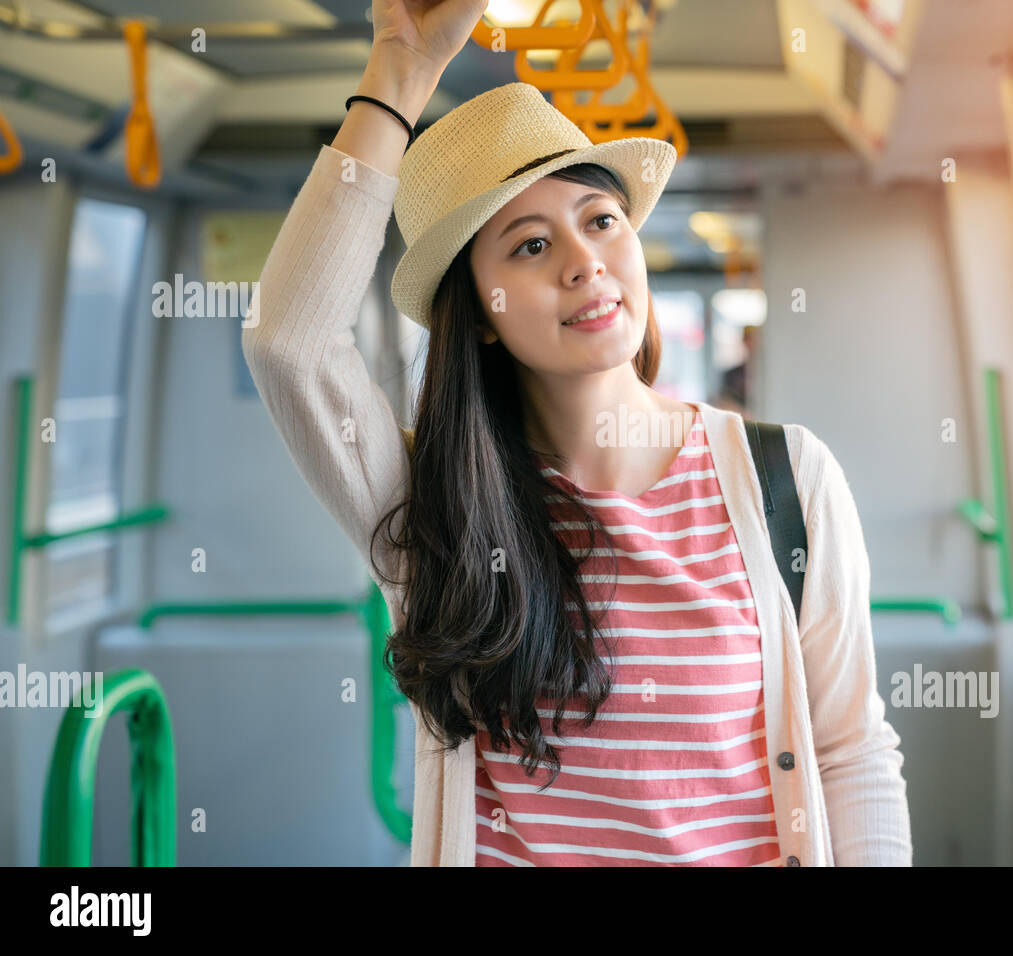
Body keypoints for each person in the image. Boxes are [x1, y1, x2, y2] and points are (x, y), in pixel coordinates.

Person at [242, 0, 911, 867]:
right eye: (528, 245)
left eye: (601, 221)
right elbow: (288, 341)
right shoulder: (440, 509)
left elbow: (851, 753)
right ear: (478, 315)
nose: (584, 259)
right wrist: (397, 75)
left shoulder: (786, 479)